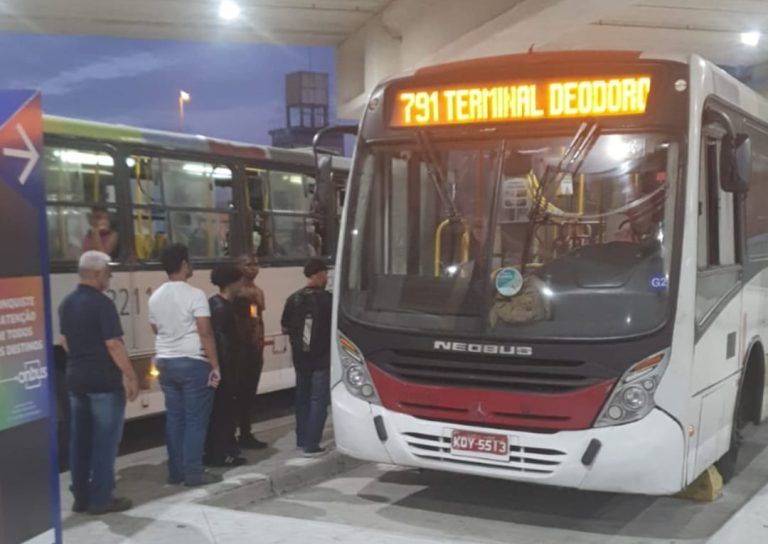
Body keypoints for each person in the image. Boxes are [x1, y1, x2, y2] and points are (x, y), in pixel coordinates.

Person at [59, 250, 139, 514]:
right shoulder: (102, 304)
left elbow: (66, 342)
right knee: (105, 442)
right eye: (108, 272)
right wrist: (130, 374)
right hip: (103, 383)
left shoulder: (67, 303)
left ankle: (80, 496)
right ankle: (101, 498)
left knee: (80, 441)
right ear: (96, 273)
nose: (110, 276)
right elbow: (113, 344)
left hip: (76, 380)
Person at [148, 244, 223, 486]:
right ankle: (194, 473)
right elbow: (206, 332)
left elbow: (155, 327)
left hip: (166, 362)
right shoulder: (195, 294)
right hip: (192, 362)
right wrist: (215, 365)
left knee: (175, 419)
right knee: (195, 421)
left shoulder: (156, 296)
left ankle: (176, 473)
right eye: (189, 261)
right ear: (183, 264)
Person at [281, 257, 332, 457]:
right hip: (321, 358)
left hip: (300, 357)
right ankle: (312, 445)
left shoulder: (293, 298)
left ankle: (301, 439)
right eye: (325, 273)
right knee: (318, 400)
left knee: (301, 398)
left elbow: (284, 326)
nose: (326, 277)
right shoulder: (327, 299)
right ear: (318, 274)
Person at [204, 264, 247, 467]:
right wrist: (229, 370)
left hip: (218, 366)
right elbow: (225, 342)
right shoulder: (224, 308)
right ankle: (222, 453)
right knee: (224, 412)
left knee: (217, 412)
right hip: (226, 368)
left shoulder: (212, 303)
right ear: (233, 283)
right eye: (240, 281)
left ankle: (217, 450)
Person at [232, 254, 268, 449]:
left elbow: (258, 319)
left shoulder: (258, 292)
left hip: (254, 349)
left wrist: (260, 343)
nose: (253, 269)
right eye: (248, 265)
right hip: (240, 350)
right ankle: (234, 433)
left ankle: (246, 432)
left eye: (255, 264)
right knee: (237, 394)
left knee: (249, 394)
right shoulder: (238, 292)